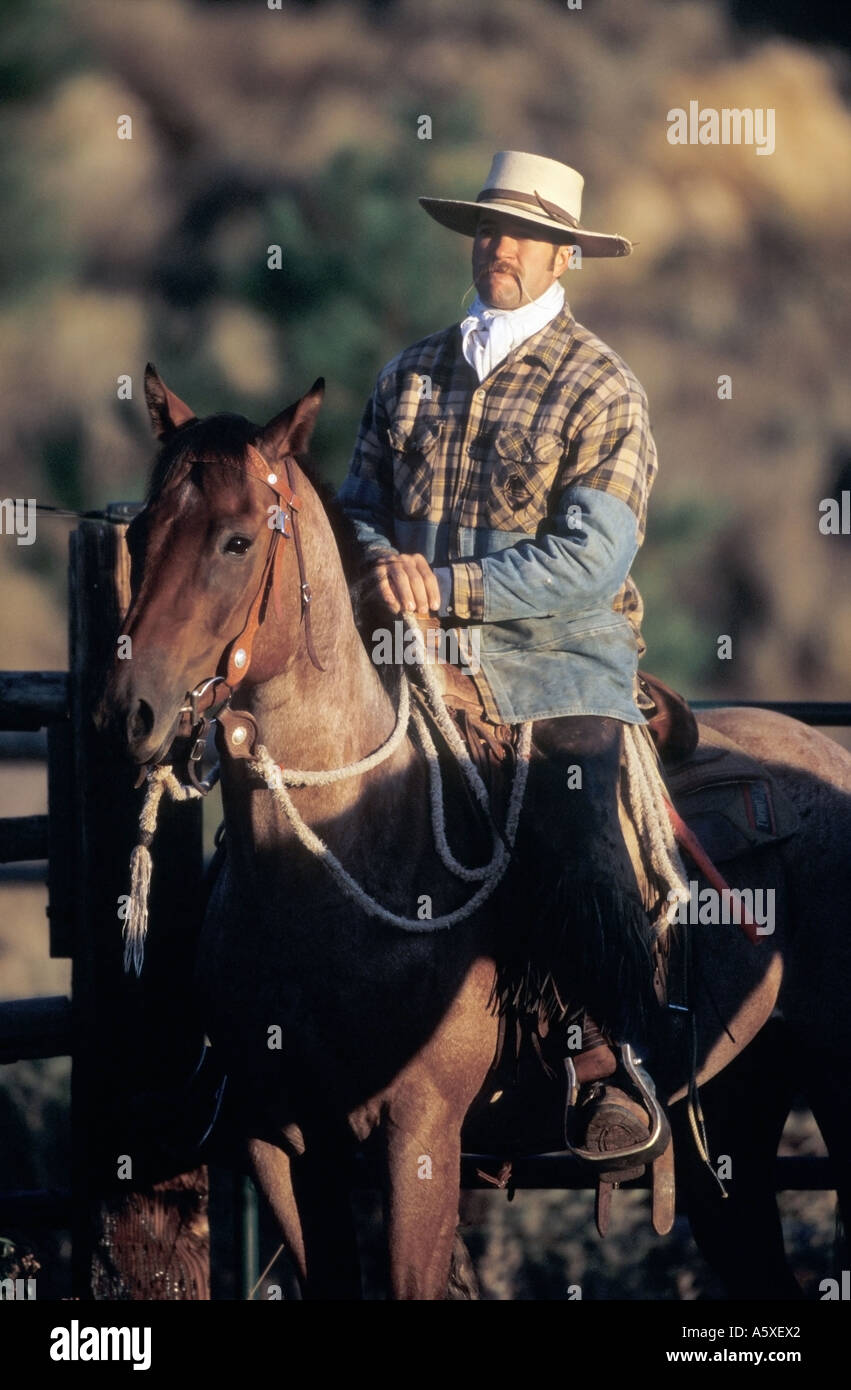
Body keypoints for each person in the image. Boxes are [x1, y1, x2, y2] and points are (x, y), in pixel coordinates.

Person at [338, 151, 661, 1154]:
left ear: (564, 255)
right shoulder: (407, 375)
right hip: (411, 651)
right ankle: (249, 1036)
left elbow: (588, 557)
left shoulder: (600, 387)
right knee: (288, 781)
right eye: (487, 227)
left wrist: (444, 587)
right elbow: (351, 513)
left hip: (557, 657)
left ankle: (607, 1050)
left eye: (522, 232)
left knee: (567, 813)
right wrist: (381, 560)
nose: (498, 245)